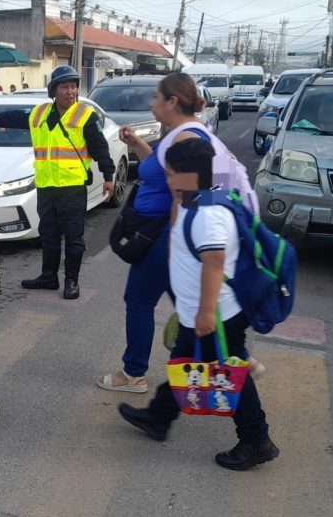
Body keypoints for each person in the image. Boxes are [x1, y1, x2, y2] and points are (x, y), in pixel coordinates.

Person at [117, 137, 279, 472]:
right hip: (203, 312)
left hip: (217, 314)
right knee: (184, 362)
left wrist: (205, 311)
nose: (167, 179)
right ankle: (159, 417)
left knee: (230, 374)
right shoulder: (203, 198)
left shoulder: (207, 213)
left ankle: (256, 439)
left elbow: (215, 261)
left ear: (187, 176)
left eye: (171, 173)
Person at [97, 72, 212, 394]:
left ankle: (133, 373)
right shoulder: (176, 134)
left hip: (164, 235)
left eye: (156, 97)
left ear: (172, 101)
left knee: (139, 300)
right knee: (186, 303)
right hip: (162, 233)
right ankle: (228, 359)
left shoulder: (185, 140)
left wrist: (177, 242)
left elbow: (188, 196)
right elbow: (162, 171)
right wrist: (136, 143)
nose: (151, 103)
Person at [18, 66, 115, 299]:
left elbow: (100, 149)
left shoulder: (84, 116)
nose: (70, 92)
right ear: (54, 90)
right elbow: (1, 116)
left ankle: (71, 281)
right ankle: (49, 277)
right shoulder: (38, 114)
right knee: (48, 235)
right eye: (65, 87)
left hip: (72, 188)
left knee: (74, 237)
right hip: (46, 186)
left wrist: (109, 177)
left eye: (73, 87)